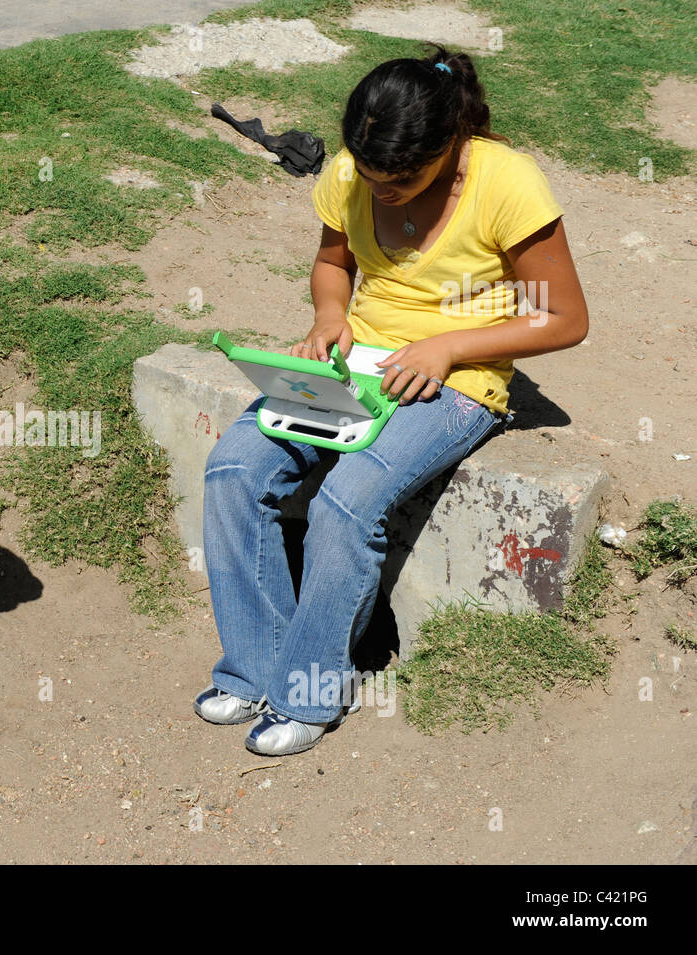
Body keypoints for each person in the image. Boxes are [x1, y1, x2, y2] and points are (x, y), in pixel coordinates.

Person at [194, 45, 588, 756]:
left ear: (449, 146)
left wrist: (449, 347)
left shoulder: (507, 183)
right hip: (358, 359)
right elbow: (331, 263)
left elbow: (563, 317)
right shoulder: (354, 169)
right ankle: (256, 665)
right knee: (233, 467)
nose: (381, 192)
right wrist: (327, 316)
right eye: (370, 178)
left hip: (459, 379)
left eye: (400, 180)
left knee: (346, 502)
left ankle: (310, 691)